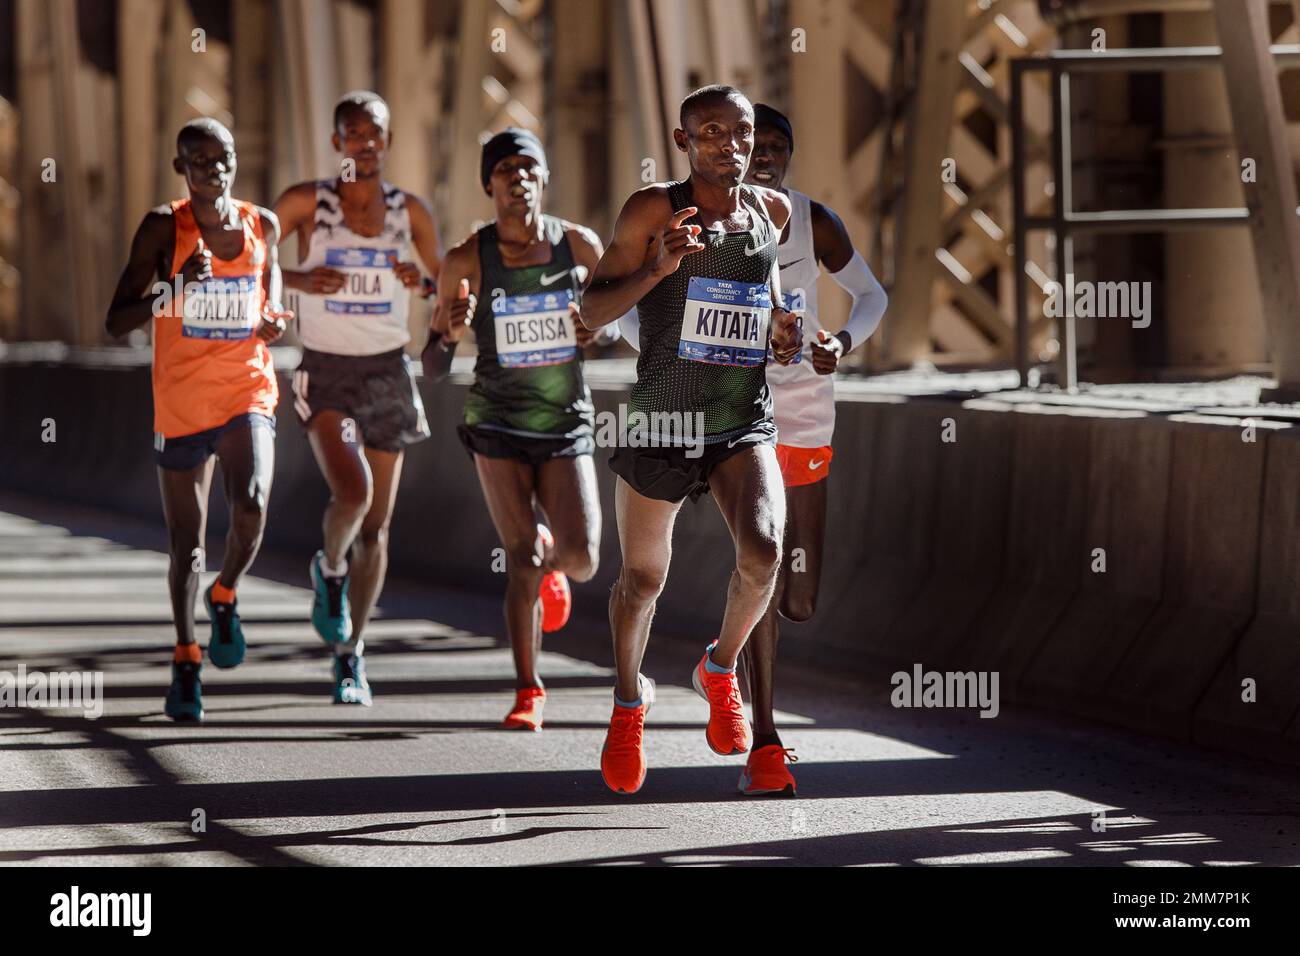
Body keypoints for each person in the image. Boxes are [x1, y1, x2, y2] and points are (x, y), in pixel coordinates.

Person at [579, 85, 802, 794]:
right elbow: (588, 314)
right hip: (664, 419)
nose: (731, 146)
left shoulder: (773, 212)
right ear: (683, 142)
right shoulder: (653, 210)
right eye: (712, 132)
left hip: (740, 418)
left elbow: (758, 302)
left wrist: (783, 332)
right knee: (643, 580)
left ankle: (719, 665)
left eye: (741, 133)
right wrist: (657, 269)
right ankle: (627, 705)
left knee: (764, 551)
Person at [423, 128, 611, 731]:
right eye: (505, 168)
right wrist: (449, 334)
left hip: (563, 421)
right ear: (488, 184)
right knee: (522, 552)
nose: (518, 177)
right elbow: (429, 361)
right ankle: (529, 689)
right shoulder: (465, 259)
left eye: (530, 166)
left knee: (581, 557)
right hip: (496, 422)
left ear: (545, 179)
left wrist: (596, 330)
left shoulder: (578, 248)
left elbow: (619, 320)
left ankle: (555, 572)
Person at [106, 118, 290, 722]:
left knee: (253, 504)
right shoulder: (165, 227)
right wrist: (174, 289)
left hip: (246, 390)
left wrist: (273, 317)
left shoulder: (263, 224)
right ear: (181, 168)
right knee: (187, 545)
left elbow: (272, 286)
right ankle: (186, 657)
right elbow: (116, 321)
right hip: (182, 401)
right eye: (200, 160)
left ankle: (227, 591)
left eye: (224, 157)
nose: (215, 168)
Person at [273, 91, 442, 706]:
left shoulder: (409, 212)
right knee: (353, 492)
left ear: (388, 142)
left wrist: (419, 281)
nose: (364, 145)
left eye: (375, 135)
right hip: (327, 372)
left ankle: (351, 654)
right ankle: (330, 569)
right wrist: (297, 279)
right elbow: (249, 256)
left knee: (378, 527)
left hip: (389, 372)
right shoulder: (306, 202)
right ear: (336, 142)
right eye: (352, 134)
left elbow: (446, 280)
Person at [739, 103, 887, 794]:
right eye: (753, 144)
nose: (763, 154)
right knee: (762, 560)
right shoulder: (700, 222)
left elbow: (871, 295)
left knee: (798, 596)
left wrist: (841, 344)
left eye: (776, 145)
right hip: (732, 416)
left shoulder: (813, 220)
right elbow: (642, 311)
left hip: (803, 413)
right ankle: (764, 739)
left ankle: (724, 651)